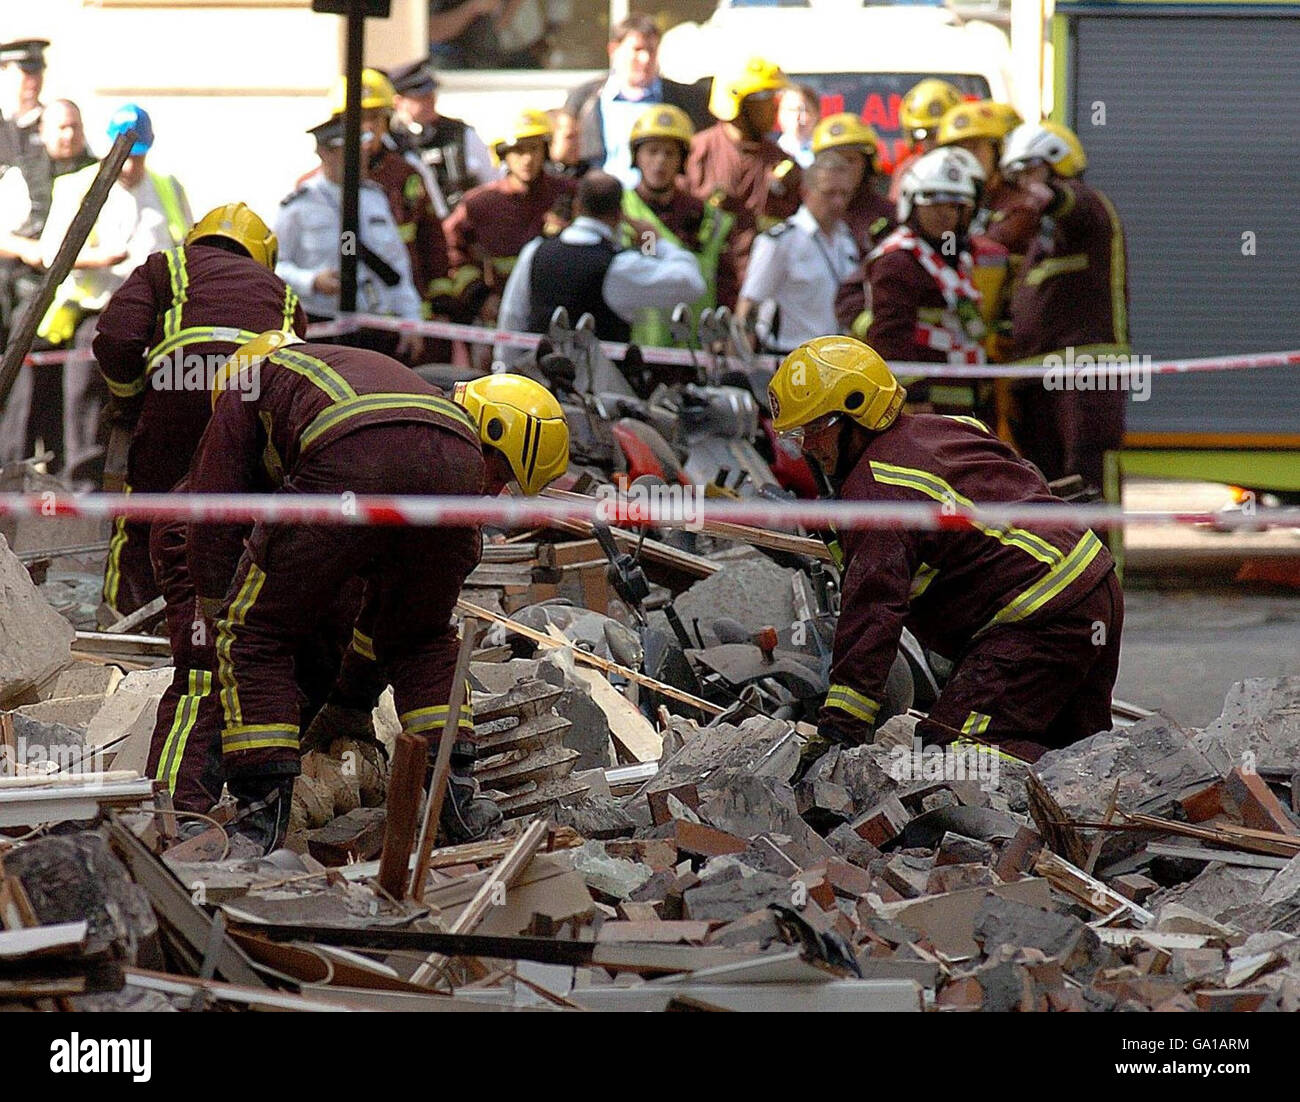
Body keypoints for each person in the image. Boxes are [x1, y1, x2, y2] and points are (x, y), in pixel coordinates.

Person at [187, 330, 570, 851]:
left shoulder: (246, 391)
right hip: (447, 463)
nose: (497, 491)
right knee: (423, 639)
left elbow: (211, 513)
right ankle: (456, 793)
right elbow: (385, 614)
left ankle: (262, 813)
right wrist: (349, 698)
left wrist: (213, 616)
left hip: (351, 453)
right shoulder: (410, 397)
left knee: (255, 633)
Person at [767, 335, 1123, 763]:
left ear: (858, 412)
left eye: (816, 428)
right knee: (1082, 752)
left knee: (953, 755)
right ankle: (1123, 808)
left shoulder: (877, 491)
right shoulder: (950, 428)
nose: (808, 446)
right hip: (1093, 586)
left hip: (1040, 615)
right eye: (798, 434)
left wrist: (840, 729)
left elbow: (873, 612)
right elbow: (1025, 481)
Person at [91, 202, 306, 618]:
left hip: (176, 392)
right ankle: (227, 622)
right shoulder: (285, 294)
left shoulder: (165, 264)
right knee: (239, 517)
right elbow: (298, 372)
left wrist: (130, 400)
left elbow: (116, 339)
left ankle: (128, 622)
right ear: (263, 253)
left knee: (145, 510)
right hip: (248, 401)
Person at [37, 103, 191, 487]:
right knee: (87, 410)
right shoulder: (78, 186)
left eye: (138, 158)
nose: (130, 166)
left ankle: (143, 487)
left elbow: (189, 247)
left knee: (152, 406)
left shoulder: (166, 187)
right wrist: (97, 258)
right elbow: (50, 251)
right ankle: (84, 492)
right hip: (97, 316)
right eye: (125, 156)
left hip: (154, 319)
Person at [1001, 121, 1130, 488]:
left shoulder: (1089, 207)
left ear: (1057, 160)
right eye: (1018, 176)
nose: (1025, 184)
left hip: (1085, 370)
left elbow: (1071, 203)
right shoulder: (1040, 236)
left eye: (1031, 171)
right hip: (1038, 374)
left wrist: (1050, 195)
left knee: (1086, 471)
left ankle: (1106, 548)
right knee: (1048, 481)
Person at [274, 114, 423, 360]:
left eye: (361, 148)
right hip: (321, 328)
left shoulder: (375, 199)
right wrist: (312, 280)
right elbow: (275, 267)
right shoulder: (298, 206)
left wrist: (411, 321)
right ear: (324, 153)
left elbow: (397, 267)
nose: (361, 156)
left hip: (375, 329)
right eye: (347, 150)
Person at [856, 146, 990, 413]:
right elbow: (891, 338)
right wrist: (915, 399)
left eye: (954, 206)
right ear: (912, 204)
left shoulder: (955, 255)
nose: (944, 214)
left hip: (967, 399)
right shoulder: (898, 261)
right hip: (926, 406)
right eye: (933, 204)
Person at [499, 170, 705, 343]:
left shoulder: (535, 251)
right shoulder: (619, 266)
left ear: (577, 207)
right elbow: (691, 283)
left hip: (538, 386)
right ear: (619, 214)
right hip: (600, 386)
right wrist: (654, 240)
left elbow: (511, 319)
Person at [0, 99, 96, 464]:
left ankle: (66, 484)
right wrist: (32, 250)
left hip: (83, 302)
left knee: (72, 409)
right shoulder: (23, 174)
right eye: (61, 127)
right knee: (22, 401)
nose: (69, 134)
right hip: (34, 300)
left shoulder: (99, 171)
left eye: (75, 126)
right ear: (43, 132)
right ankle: (12, 481)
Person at [442, 108, 575, 325]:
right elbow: (450, 250)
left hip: (559, 312)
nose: (527, 159)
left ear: (546, 149)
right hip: (500, 316)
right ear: (502, 154)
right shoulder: (480, 203)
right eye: (518, 151)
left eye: (533, 148)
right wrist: (480, 297)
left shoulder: (569, 194)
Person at [619, 104, 738, 343]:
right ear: (637, 156)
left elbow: (725, 282)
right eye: (652, 151)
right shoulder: (619, 209)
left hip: (694, 347)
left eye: (669, 153)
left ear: (682, 159)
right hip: (638, 343)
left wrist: (722, 335)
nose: (660, 161)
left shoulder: (708, 217)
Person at [685, 56, 801, 285]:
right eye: (764, 97)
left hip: (761, 287)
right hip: (704, 282)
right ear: (736, 103)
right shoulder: (696, 153)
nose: (774, 105)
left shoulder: (783, 162)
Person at [563, 14, 710, 184]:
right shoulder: (584, 98)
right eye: (638, 50)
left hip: (658, 202)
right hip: (603, 201)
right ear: (613, 50)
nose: (645, 59)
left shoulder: (685, 99)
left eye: (651, 50)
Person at [736, 153, 859, 354]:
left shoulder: (846, 239)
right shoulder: (781, 241)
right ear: (806, 192)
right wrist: (744, 366)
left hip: (836, 357)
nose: (838, 202)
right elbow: (749, 305)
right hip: (789, 357)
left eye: (844, 194)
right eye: (829, 193)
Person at [389, 59, 493, 212]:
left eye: (431, 94)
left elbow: (492, 183)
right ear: (398, 102)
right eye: (421, 97)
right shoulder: (391, 141)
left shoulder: (461, 134)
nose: (431, 100)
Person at [810, 113, 893, 255]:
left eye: (850, 160)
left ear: (867, 165)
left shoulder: (888, 216)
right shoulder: (807, 215)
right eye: (833, 160)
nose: (841, 167)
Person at [889, 78, 964, 204]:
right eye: (926, 134)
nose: (936, 142)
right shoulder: (908, 172)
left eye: (942, 134)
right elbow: (895, 214)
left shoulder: (975, 169)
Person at [0, 38, 48, 172]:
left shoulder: (55, 123)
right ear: (3, 69)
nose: (34, 80)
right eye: (27, 72)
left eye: (38, 71)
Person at [777, 84, 819, 169]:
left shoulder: (825, 154)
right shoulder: (769, 154)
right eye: (791, 110)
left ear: (816, 114)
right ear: (779, 115)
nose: (797, 118)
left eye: (803, 111)